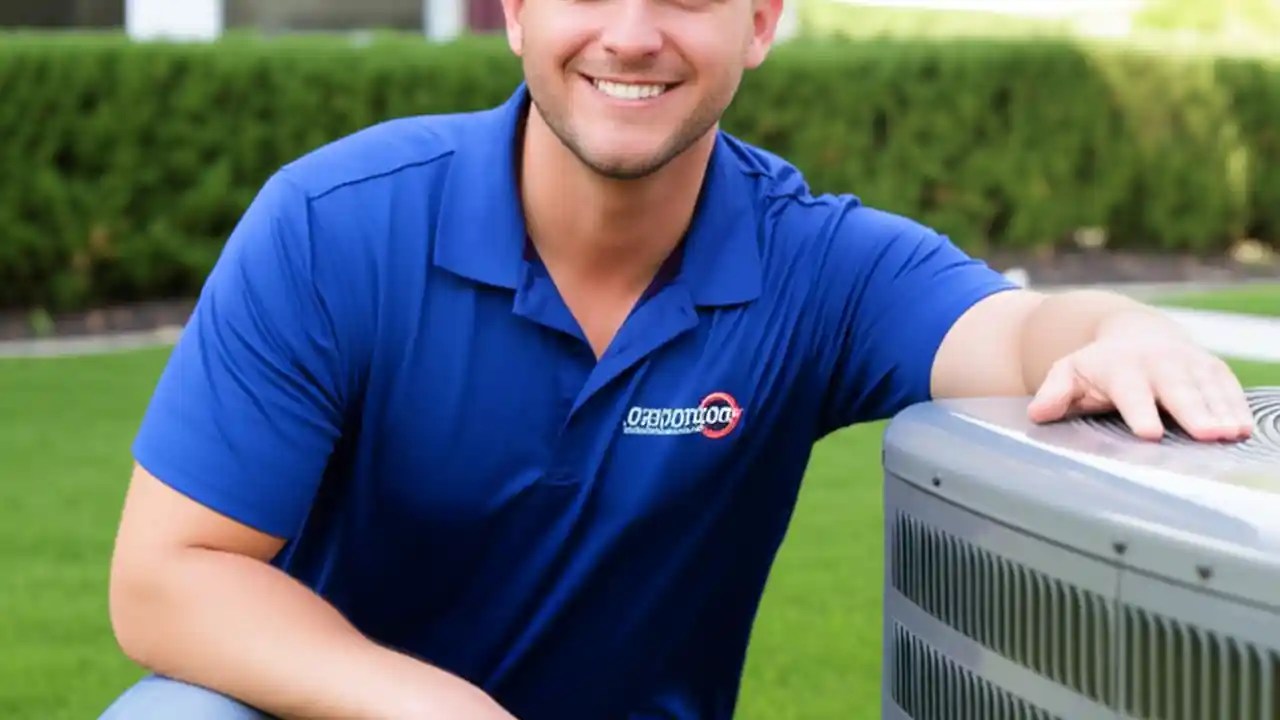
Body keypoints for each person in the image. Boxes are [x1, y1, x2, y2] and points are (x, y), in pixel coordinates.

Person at [99, 0, 1255, 715]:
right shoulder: (333, 227)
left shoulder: (817, 263)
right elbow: (166, 579)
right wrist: (432, 711)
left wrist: (1118, 329)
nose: (632, 30)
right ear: (514, 9)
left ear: (759, 21)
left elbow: (1007, 335)